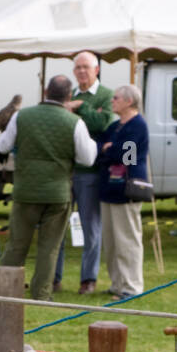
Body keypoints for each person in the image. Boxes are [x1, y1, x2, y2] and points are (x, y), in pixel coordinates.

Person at [0, 75, 96, 300]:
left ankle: (2, 292)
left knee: (16, 245)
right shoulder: (75, 123)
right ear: (69, 97)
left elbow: (3, 145)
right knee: (49, 247)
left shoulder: (22, 116)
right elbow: (87, 158)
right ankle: (41, 293)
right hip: (57, 193)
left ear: (45, 92)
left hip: (26, 192)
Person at [53, 51, 116, 294]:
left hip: (90, 171)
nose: (81, 71)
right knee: (56, 226)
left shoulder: (107, 95)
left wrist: (81, 108)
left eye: (85, 67)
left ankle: (88, 279)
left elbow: (102, 124)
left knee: (91, 227)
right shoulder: (69, 94)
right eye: (77, 67)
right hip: (66, 170)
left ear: (96, 69)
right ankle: (54, 277)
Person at [98, 85, 150, 301]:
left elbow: (126, 156)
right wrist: (109, 149)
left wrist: (110, 149)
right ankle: (117, 283)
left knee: (127, 239)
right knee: (111, 241)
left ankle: (131, 286)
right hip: (109, 190)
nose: (113, 101)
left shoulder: (137, 125)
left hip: (127, 190)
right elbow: (100, 147)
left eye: (116, 98)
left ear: (129, 101)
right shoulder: (115, 126)